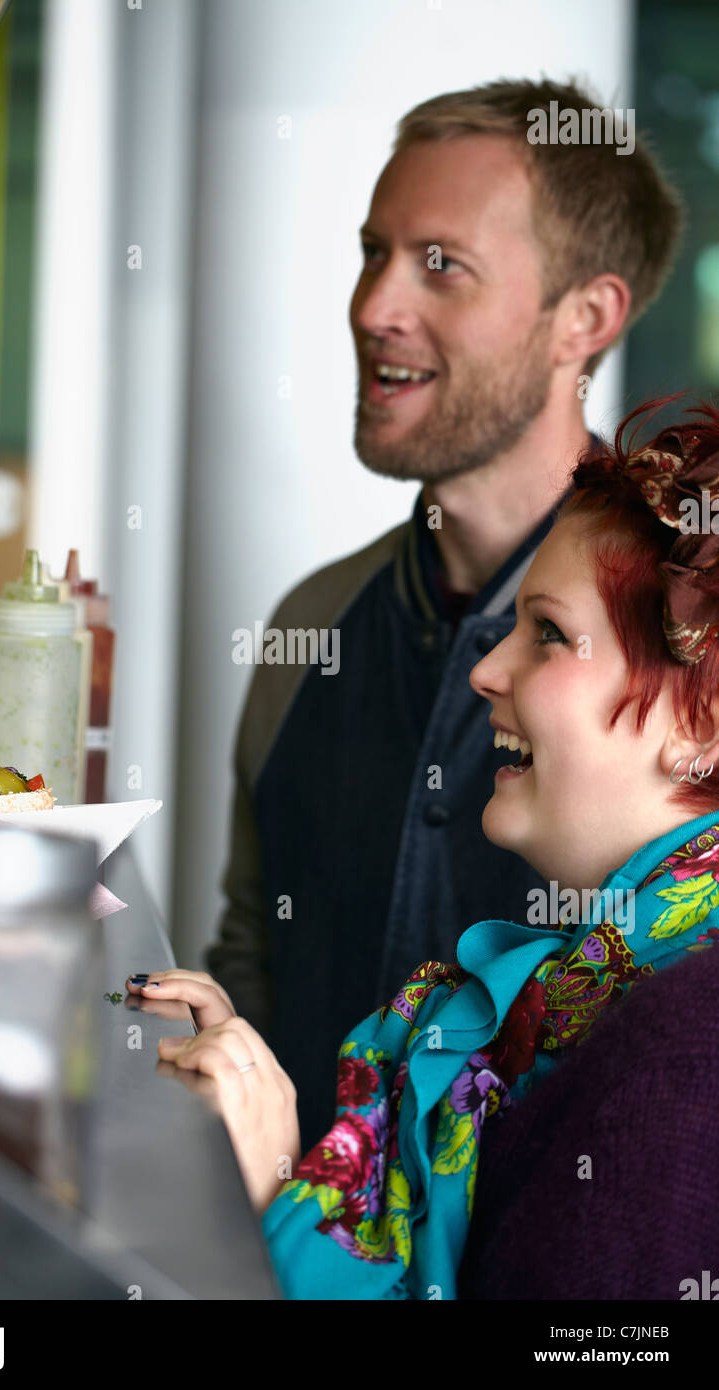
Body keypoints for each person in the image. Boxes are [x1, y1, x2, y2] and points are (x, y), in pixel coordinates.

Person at [129, 397, 719, 1299]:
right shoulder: (598, 985)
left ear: (700, 722)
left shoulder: (686, 1055)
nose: (487, 668)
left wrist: (277, 1192)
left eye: (550, 634)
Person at [202, 76, 684, 1151]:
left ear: (585, 318)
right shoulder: (309, 625)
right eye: (373, 252)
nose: (374, 305)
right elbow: (255, 957)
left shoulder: (680, 660)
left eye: (439, 267)